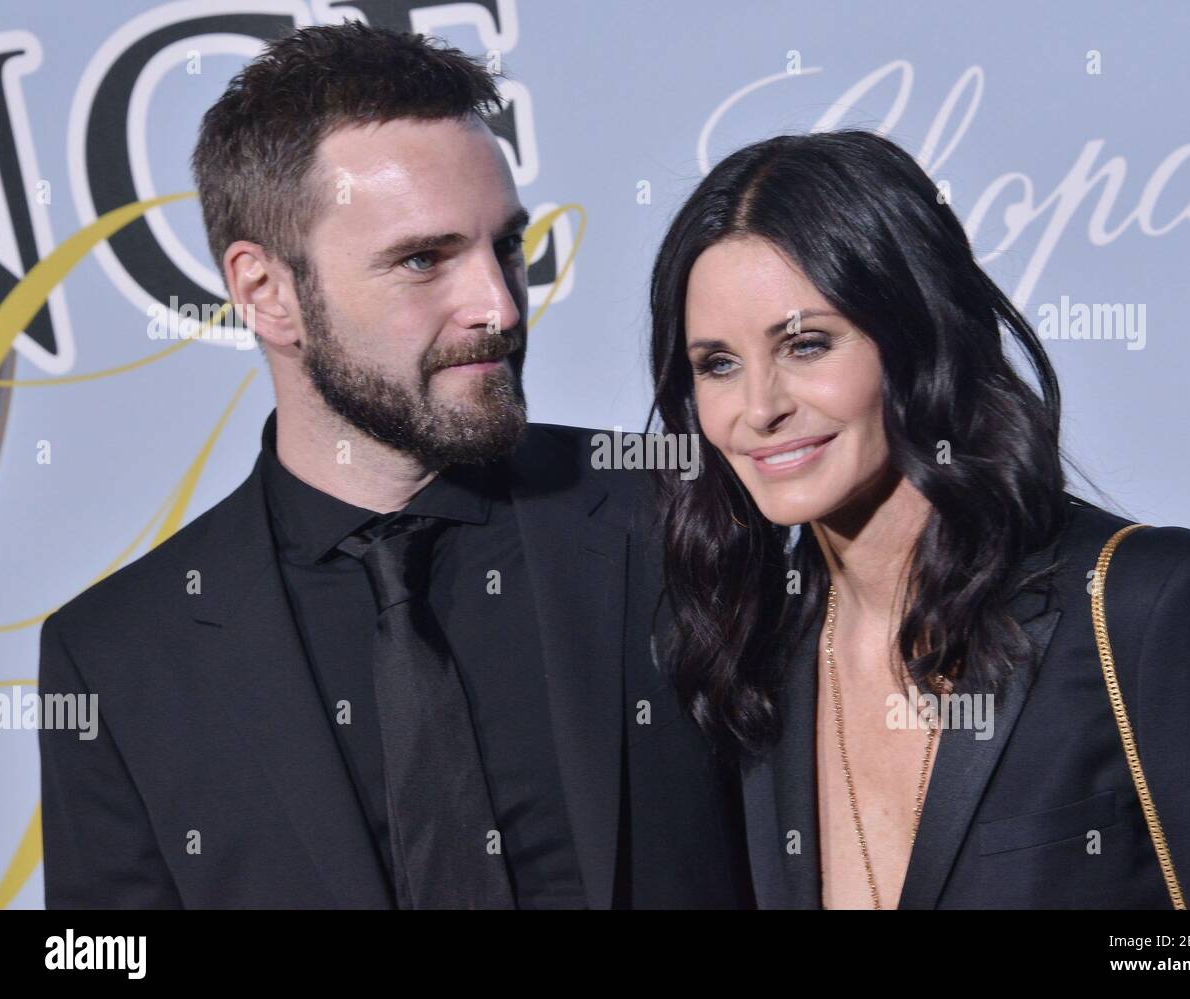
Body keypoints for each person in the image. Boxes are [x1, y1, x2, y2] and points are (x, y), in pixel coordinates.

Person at [38, 21, 751, 909]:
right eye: (423, 259)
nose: (496, 305)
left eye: (505, 247)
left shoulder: (675, 510)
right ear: (267, 292)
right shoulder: (119, 654)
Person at [647, 128, 1190, 909]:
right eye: (718, 364)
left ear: (918, 336)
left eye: (807, 345)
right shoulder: (755, 657)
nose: (759, 408)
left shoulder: (1154, 607)